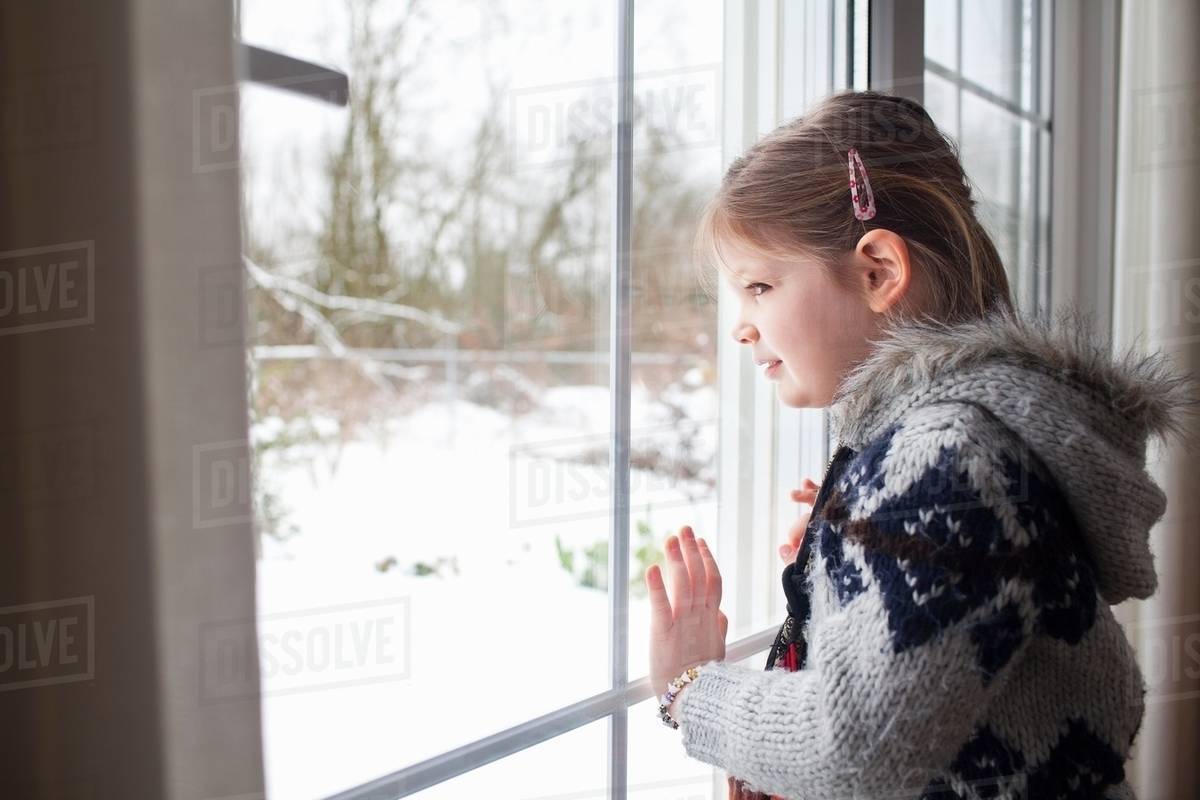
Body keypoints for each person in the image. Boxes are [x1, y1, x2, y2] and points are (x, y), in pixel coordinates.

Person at [644, 90, 1199, 800]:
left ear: (879, 271)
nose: (742, 327)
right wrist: (861, 553)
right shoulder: (952, 447)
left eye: (759, 286)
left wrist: (690, 691)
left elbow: (856, 748)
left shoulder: (948, 459)